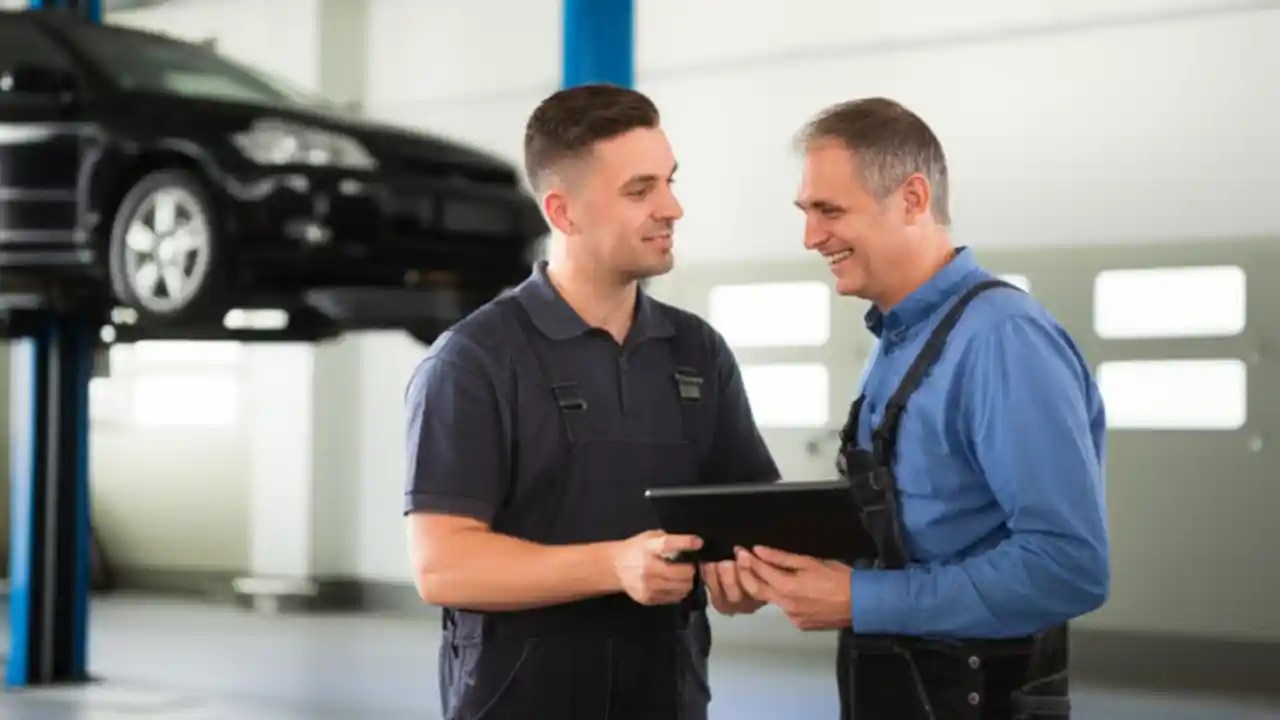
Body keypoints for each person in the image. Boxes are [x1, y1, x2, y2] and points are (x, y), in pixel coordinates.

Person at [403, 83, 780, 720]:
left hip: (668, 699)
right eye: (639, 190)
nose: (672, 208)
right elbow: (444, 566)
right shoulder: (475, 360)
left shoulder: (698, 352)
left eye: (669, 181)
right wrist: (614, 565)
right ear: (564, 212)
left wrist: (747, 577)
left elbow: (751, 522)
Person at [735, 97, 1111, 719]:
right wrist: (790, 569)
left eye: (830, 211)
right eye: (806, 213)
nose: (811, 237)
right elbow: (928, 528)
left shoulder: (1002, 339)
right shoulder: (899, 340)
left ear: (912, 199)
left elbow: (1068, 567)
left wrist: (861, 598)